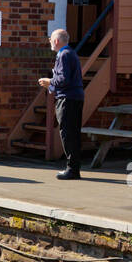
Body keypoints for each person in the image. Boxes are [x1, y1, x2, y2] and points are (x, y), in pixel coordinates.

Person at [38, 28, 85, 179]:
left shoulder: (63, 55)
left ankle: (72, 169)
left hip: (68, 99)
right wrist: (52, 85)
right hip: (75, 97)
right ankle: (74, 168)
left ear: (57, 41)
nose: (50, 41)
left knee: (67, 134)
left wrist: (49, 82)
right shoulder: (70, 53)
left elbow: (63, 79)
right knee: (73, 133)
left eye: (51, 39)